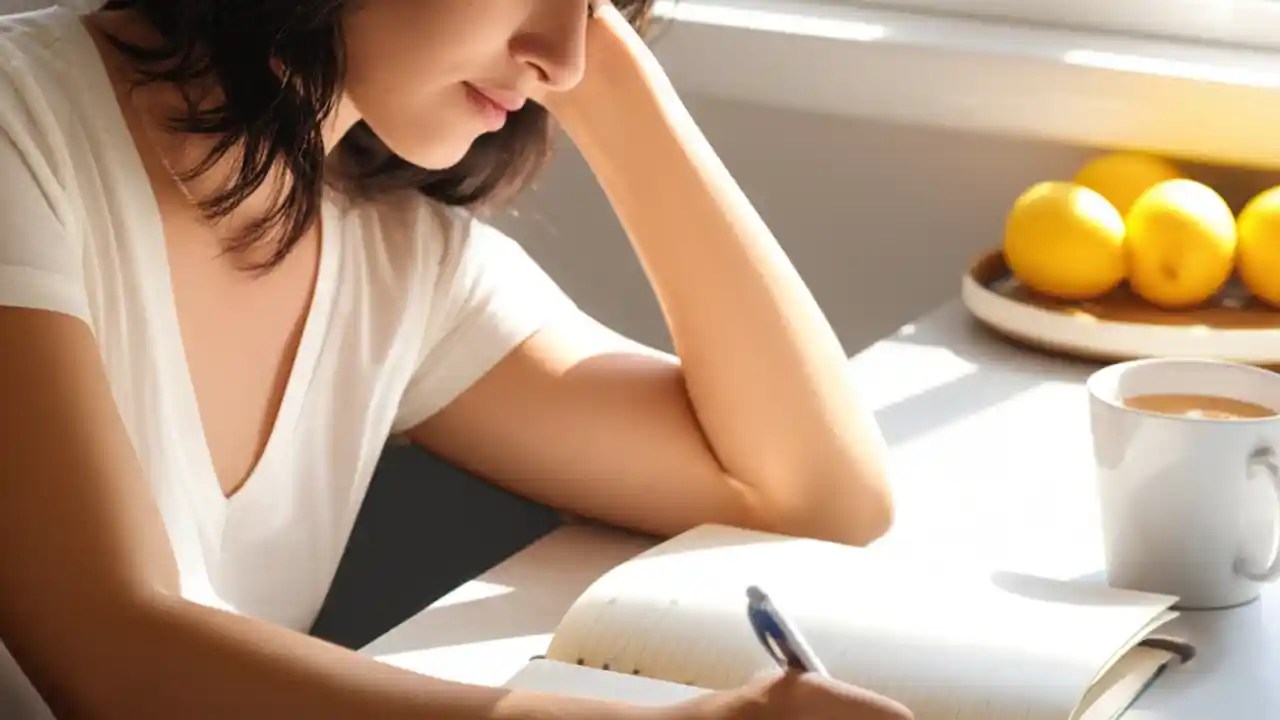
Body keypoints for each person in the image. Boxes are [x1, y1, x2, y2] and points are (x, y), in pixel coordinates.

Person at [0, 0, 907, 717]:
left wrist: (617, 88)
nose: (567, 52)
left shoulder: (397, 259)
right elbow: (111, 657)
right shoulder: (20, 129)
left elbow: (814, 491)